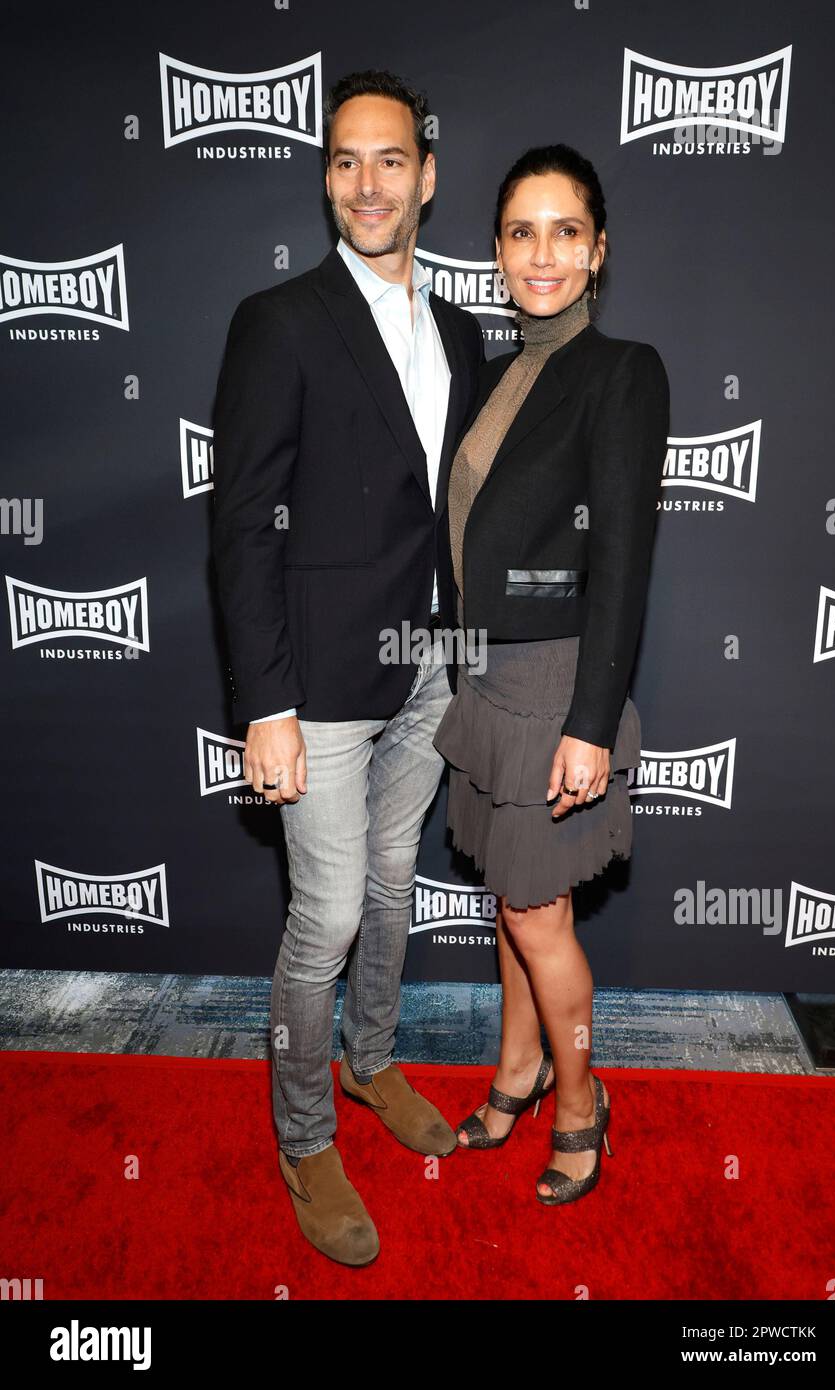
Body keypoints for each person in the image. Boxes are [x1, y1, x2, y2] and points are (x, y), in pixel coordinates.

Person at [211, 70, 483, 1265]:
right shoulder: (279, 319)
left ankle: (371, 1060)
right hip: (315, 678)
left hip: (427, 658)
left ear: (426, 178)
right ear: (325, 178)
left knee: (391, 882)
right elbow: (240, 524)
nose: (365, 183)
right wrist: (264, 701)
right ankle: (303, 1133)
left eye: (389, 159)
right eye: (342, 160)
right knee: (321, 914)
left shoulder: (460, 331)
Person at [433, 144, 670, 1205]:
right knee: (512, 904)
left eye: (564, 232)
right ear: (495, 250)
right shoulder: (493, 377)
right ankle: (518, 1071)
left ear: (598, 249)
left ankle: (580, 1105)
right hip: (487, 683)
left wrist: (591, 721)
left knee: (539, 918)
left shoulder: (622, 372)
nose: (542, 254)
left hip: (555, 689)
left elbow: (620, 558)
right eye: (521, 233)